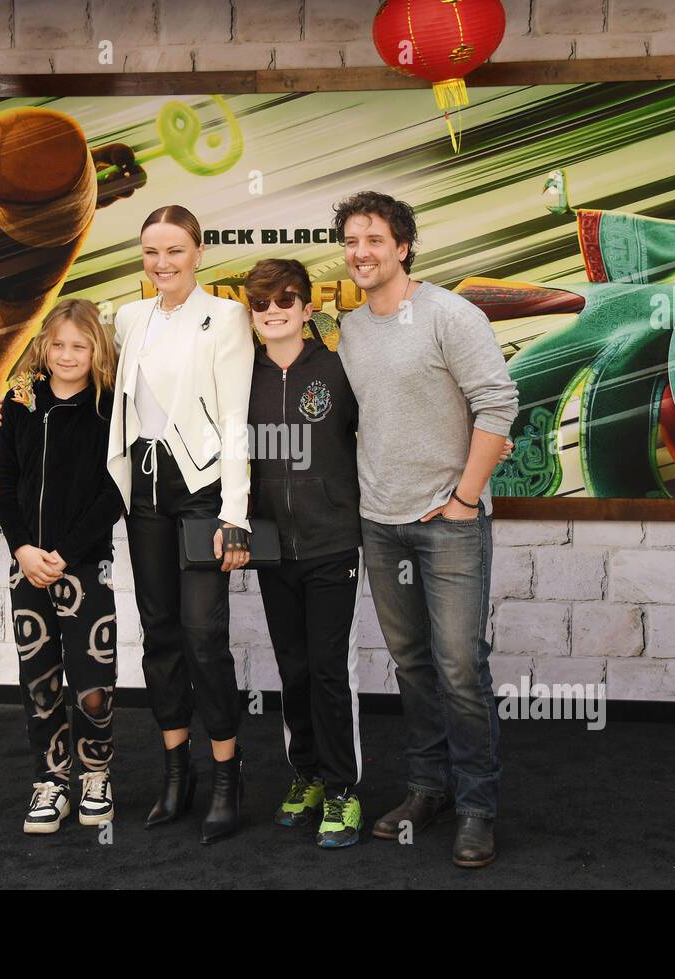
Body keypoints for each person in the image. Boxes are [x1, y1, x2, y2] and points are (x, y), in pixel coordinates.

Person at [333, 190, 519, 868]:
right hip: (380, 525)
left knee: (460, 667)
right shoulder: (350, 329)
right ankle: (426, 788)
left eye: (375, 239)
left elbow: (499, 402)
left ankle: (476, 805)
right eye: (352, 240)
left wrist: (465, 499)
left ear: (403, 246)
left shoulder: (449, 315)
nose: (361, 251)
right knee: (412, 666)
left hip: (448, 523)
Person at [106, 205, 255, 844]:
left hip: (200, 489)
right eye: (150, 252)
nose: (161, 263)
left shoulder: (224, 317)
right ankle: (177, 772)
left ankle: (227, 774)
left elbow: (234, 420)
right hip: (143, 488)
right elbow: (94, 389)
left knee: (202, 633)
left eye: (174, 250)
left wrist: (235, 515)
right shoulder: (128, 317)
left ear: (198, 252)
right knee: (159, 630)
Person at [0, 298, 125, 835]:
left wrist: (66, 553)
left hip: (86, 566)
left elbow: (113, 492)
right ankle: (52, 781)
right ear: (43, 346)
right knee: (40, 682)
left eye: (80, 346)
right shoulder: (21, 401)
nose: (68, 355)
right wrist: (23, 550)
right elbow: (4, 483)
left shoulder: (110, 407)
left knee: (94, 681)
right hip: (27, 568)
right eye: (59, 344)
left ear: (97, 350)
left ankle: (96, 775)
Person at [244, 258, 366, 848]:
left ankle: (344, 789)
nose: (274, 311)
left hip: (332, 542)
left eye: (285, 301)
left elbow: (377, 437)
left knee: (327, 670)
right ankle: (308, 776)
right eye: (262, 303)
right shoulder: (242, 376)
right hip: (271, 546)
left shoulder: (340, 370)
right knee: (292, 668)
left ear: (307, 307)